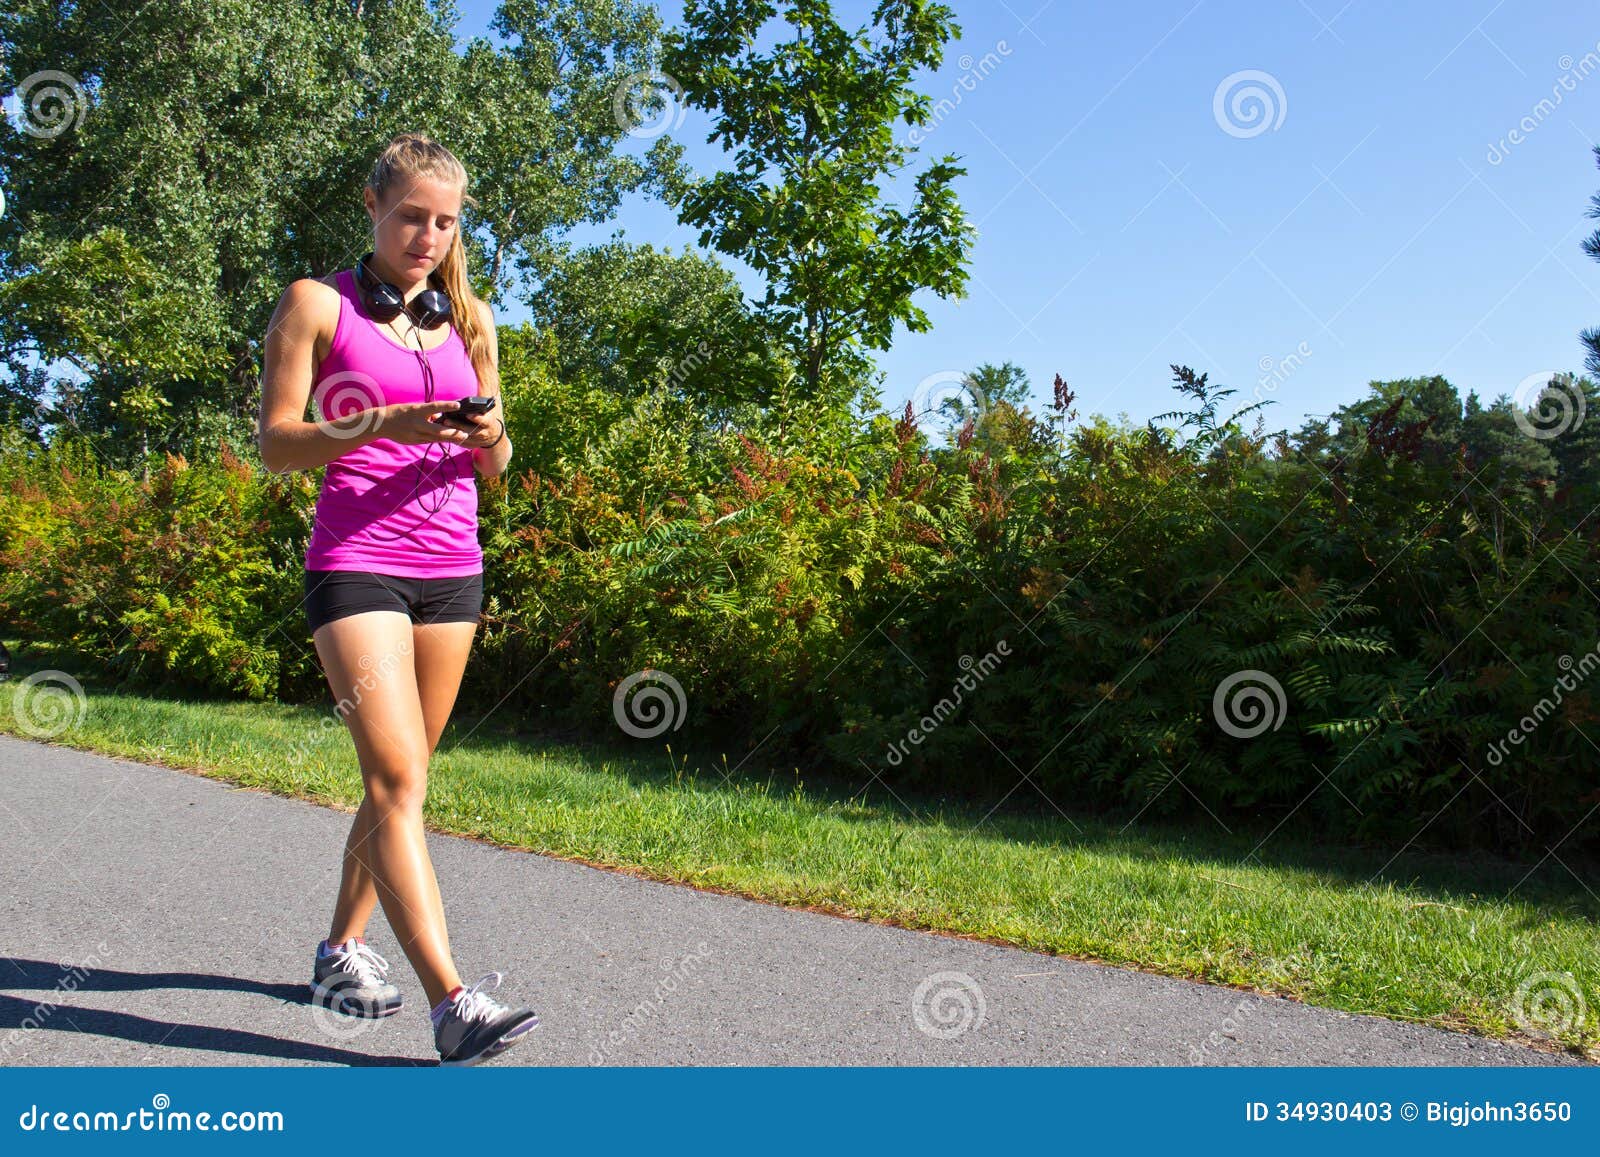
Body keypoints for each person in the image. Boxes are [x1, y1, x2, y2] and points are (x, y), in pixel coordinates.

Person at [257, 132, 538, 1067]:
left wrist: (490, 429)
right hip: (357, 562)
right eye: (413, 215)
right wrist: (383, 420)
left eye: (447, 222)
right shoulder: (315, 304)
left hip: (452, 566)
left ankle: (341, 949)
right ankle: (452, 1002)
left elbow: (498, 469)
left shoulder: (473, 319)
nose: (429, 237)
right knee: (397, 781)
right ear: (372, 205)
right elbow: (277, 445)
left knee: (403, 780)